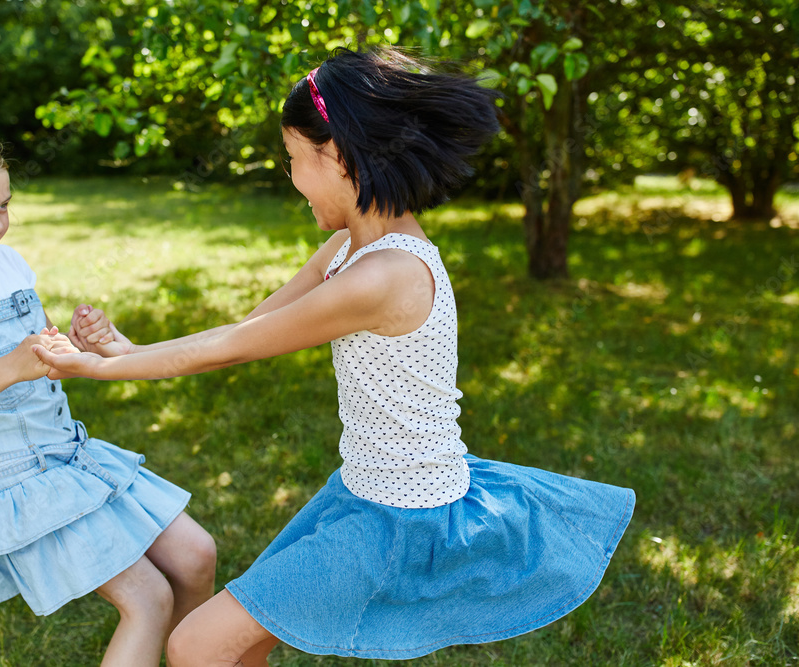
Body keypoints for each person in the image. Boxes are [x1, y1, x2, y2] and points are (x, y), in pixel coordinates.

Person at [35, 48, 636, 665]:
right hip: (360, 492)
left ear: (339, 155)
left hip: (401, 521)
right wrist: (130, 349)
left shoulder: (384, 276)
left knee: (196, 644)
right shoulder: (349, 248)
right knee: (238, 647)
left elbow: (228, 350)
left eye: (296, 159)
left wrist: (100, 368)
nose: (292, 178)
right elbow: (248, 329)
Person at [0, 119, 216, 667]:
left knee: (197, 556)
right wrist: (10, 366)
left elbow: (49, 359)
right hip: (16, 480)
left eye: (3, 206)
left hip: (69, 454)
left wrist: (87, 343)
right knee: (148, 599)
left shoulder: (7, 263)